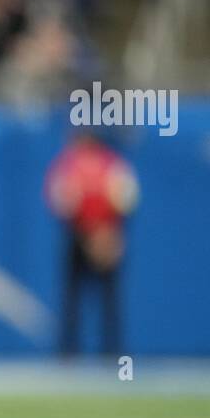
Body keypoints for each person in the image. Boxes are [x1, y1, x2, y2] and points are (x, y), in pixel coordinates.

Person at [44, 130, 139, 357]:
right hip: (91, 234)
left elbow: (61, 200)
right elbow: (127, 199)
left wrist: (101, 230)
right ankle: (79, 351)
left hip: (97, 234)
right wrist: (100, 229)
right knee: (79, 296)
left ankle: (95, 351)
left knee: (99, 297)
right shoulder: (109, 165)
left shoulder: (82, 165)